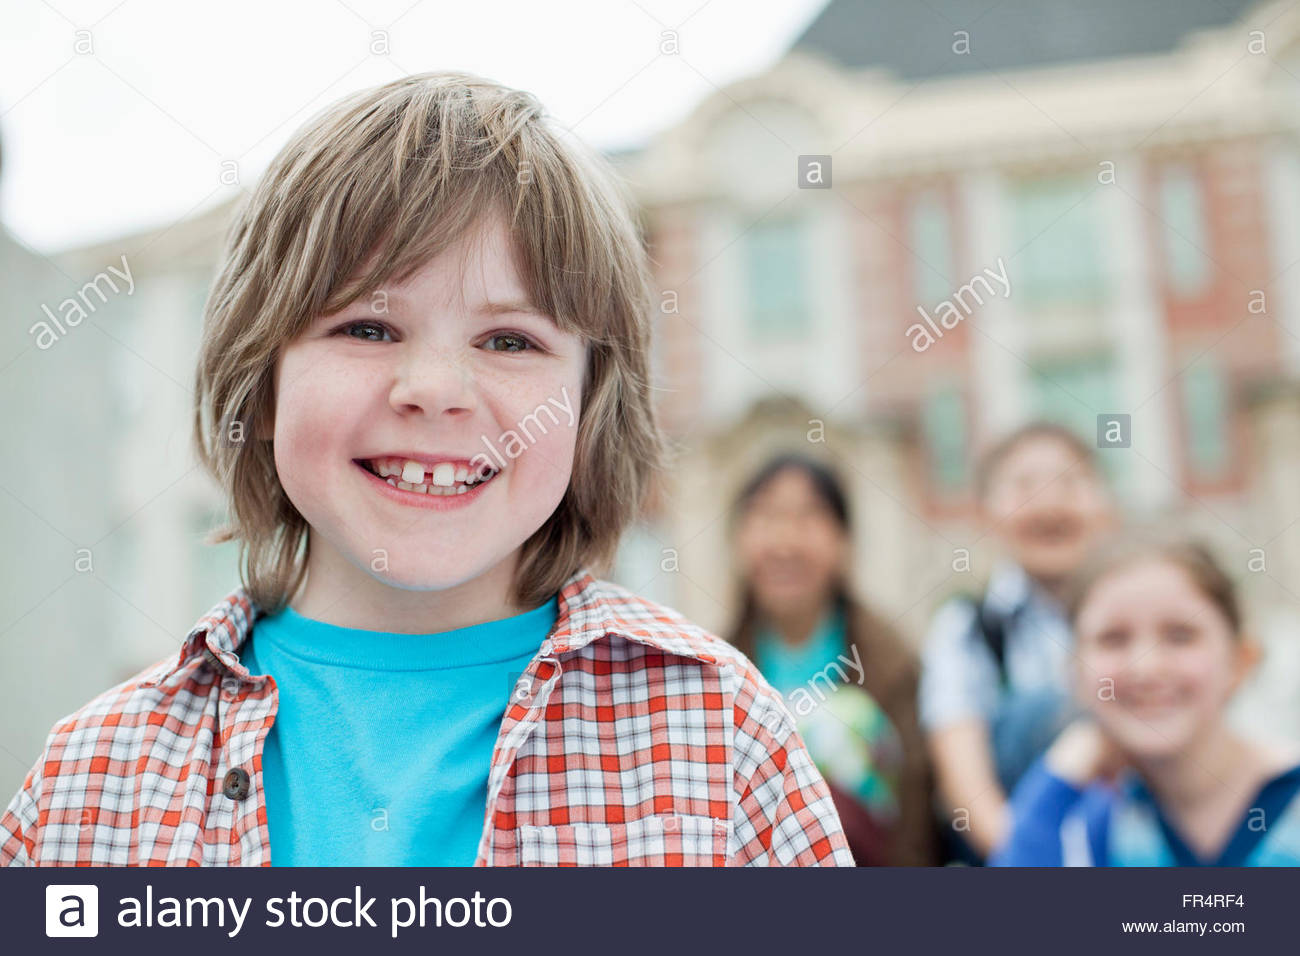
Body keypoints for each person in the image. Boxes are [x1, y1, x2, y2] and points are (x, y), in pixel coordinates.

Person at [0, 72, 852, 867]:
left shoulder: (722, 737)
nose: (437, 391)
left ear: (592, 410)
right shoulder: (89, 781)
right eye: (368, 329)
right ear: (260, 386)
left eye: (511, 341)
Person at [992, 532, 1300, 866]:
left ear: (1241, 661)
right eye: (1113, 639)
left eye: (1181, 636)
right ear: (1074, 672)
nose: (1147, 667)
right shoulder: (1088, 824)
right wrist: (1059, 777)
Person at [727, 452, 938, 865]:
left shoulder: (894, 665)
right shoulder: (712, 668)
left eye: (807, 517)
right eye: (766, 517)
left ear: (843, 540)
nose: (784, 543)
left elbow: (916, 821)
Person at [918, 422, 1114, 862]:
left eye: (1069, 482)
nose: (1048, 502)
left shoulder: (1141, 617)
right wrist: (1032, 860)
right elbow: (965, 785)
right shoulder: (966, 628)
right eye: (1024, 484)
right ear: (986, 512)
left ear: (1106, 505)